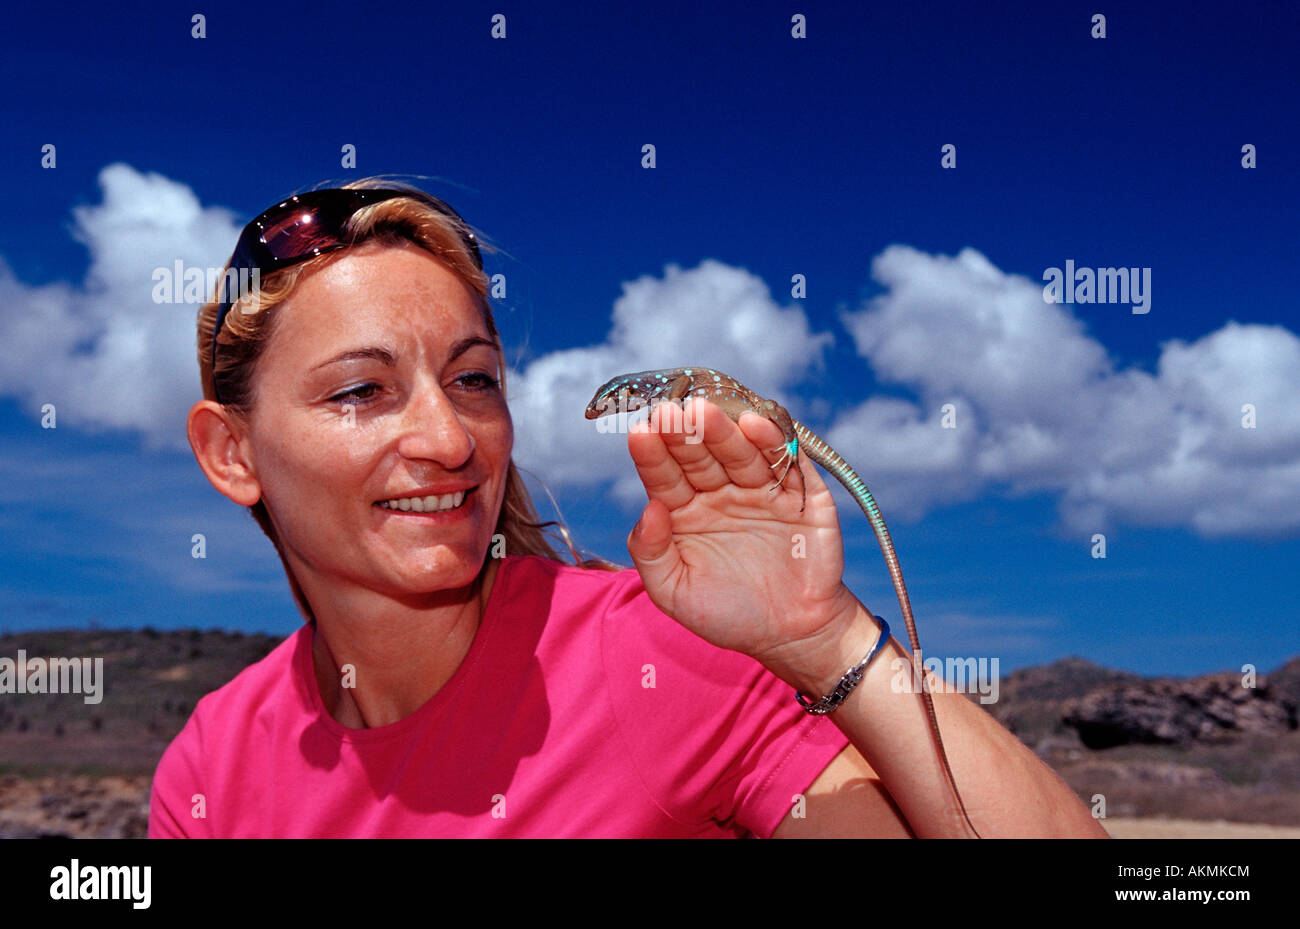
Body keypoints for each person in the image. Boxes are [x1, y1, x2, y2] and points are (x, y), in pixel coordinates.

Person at [149, 177, 1108, 838]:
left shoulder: (652, 654)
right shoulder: (212, 767)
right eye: (360, 390)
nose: (449, 438)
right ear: (231, 453)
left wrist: (821, 638)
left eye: (474, 379)